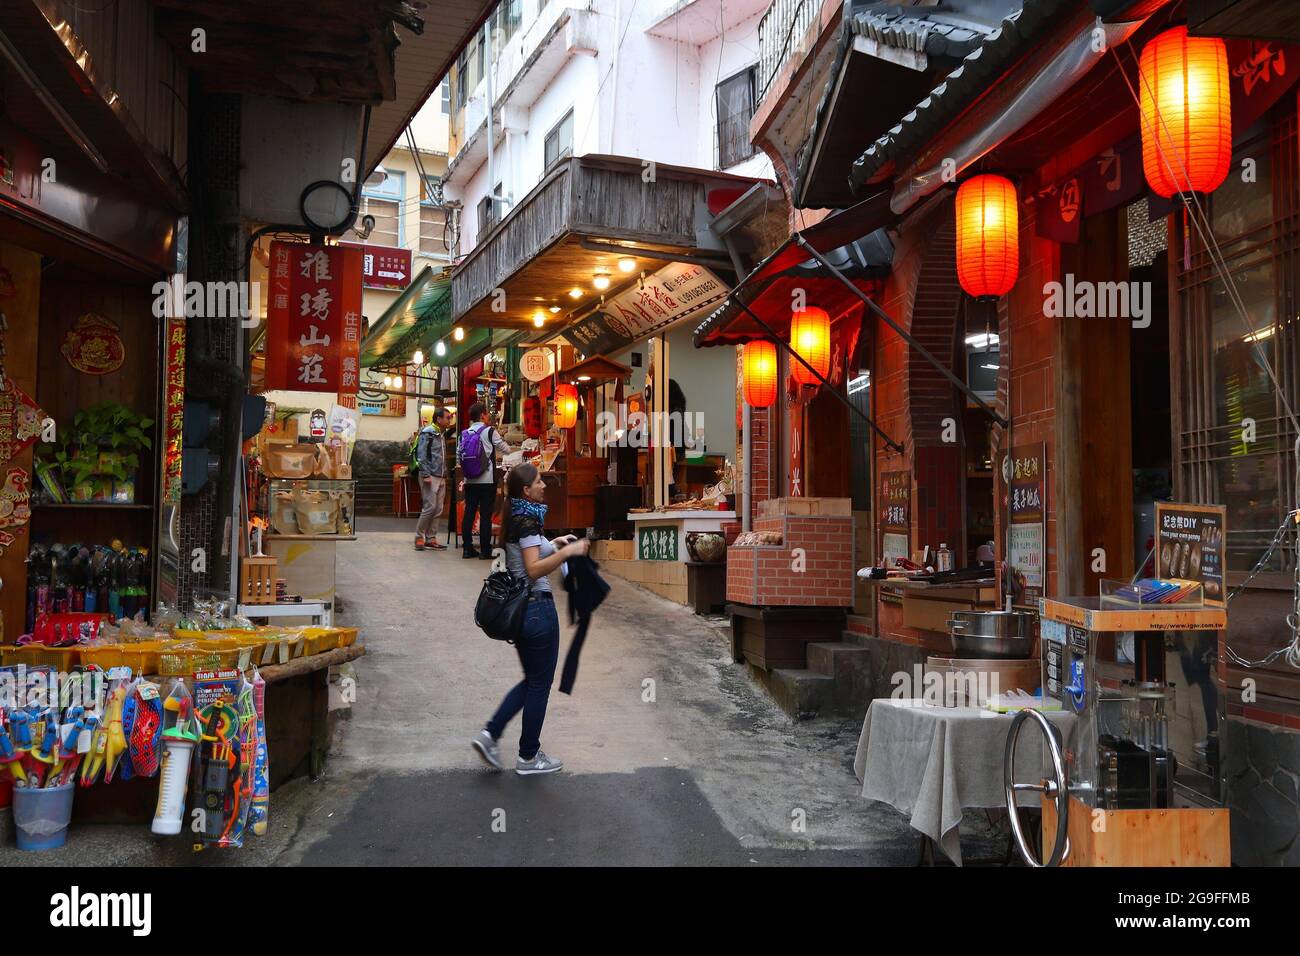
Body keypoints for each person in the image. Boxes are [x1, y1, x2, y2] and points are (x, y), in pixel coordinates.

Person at [472, 462, 589, 775]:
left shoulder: (519, 515)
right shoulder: (526, 520)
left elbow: (527, 555)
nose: (544, 485)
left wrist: (555, 542)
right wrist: (568, 553)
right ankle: (528, 756)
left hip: (525, 612)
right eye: (539, 481)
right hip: (536, 608)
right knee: (540, 683)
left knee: (532, 680)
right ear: (526, 490)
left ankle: (490, 734)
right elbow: (534, 568)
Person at [456, 402, 510, 560]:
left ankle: (467, 549)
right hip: (487, 480)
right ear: (482, 415)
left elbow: (460, 455)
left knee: (469, 513)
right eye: (486, 414)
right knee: (486, 515)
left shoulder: (465, 433)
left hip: (470, 480)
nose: (488, 417)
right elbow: (505, 449)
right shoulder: (489, 431)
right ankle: (485, 551)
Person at [413, 407, 451, 551]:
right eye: (447, 417)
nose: (449, 420)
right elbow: (421, 455)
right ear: (439, 419)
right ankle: (419, 537)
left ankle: (431, 538)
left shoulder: (441, 434)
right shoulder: (428, 433)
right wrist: (425, 474)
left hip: (440, 476)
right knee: (430, 507)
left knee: (439, 508)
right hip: (430, 476)